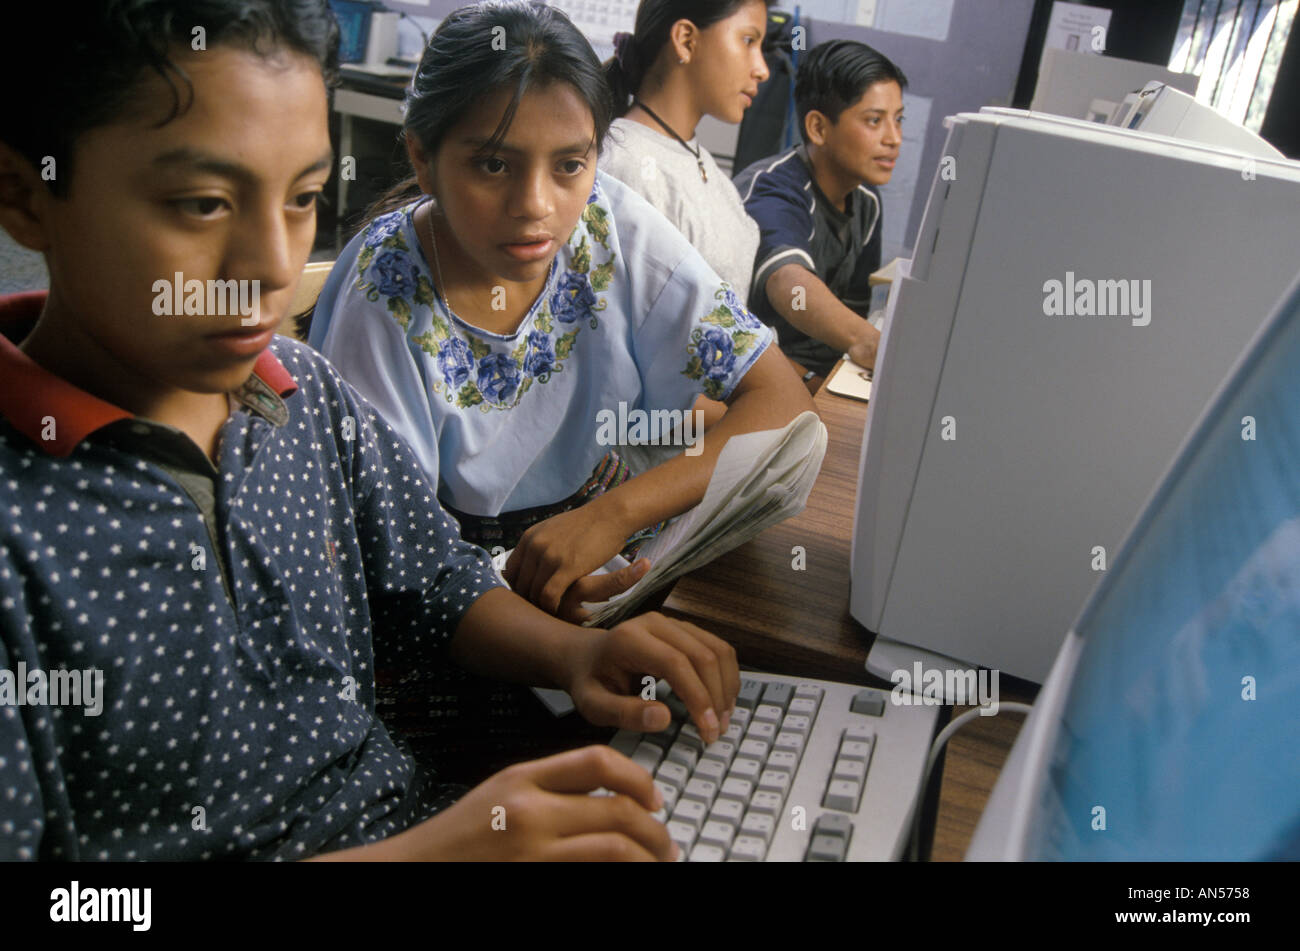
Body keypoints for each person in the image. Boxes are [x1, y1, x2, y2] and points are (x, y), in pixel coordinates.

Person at [0, 0, 740, 862]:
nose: (271, 266)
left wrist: (579, 654)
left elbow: (433, 583)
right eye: (202, 204)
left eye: (304, 197)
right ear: (24, 194)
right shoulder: (27, 530)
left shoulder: (301, 396)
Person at [310, 1, 814, 623]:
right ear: (423, 158)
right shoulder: (386, 292)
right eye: (494, 164)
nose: (535, 205)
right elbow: (402, 567)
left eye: (570, 164)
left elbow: (781, 399)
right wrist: (567, 636)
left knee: (800, 452)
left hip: (597, 541)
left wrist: (612, 516)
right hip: (458, 598)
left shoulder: (608, 220)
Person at [734, 40, 906, 390]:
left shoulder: (867, 201)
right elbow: (788, 282)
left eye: (899, 120)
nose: (894, 138)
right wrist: (872, 344)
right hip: (753, 379)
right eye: (874, 121)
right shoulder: (774, 189)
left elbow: (852, 313)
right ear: (818, 128)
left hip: (820, 378)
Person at [599, 0, 769, 306]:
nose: (762, 70)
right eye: (748, 41)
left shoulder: (699, 161)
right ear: (686, 40)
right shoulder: (627, 164)